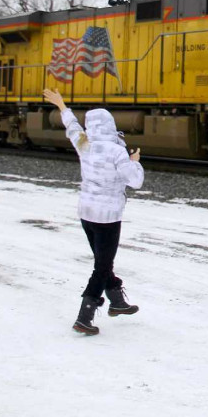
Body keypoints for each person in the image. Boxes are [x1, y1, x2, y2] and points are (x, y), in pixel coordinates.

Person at [43, 88, 145, 336]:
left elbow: (72, 127)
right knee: (102, 266)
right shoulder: (116, 151)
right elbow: (136, 181)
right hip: (108, 217)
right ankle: (84, 318)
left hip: (86, 214)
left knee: (103, 261)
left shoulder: (84, 144)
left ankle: (118, 302)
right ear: (110, 125)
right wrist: (134, 161)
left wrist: (61, 105)